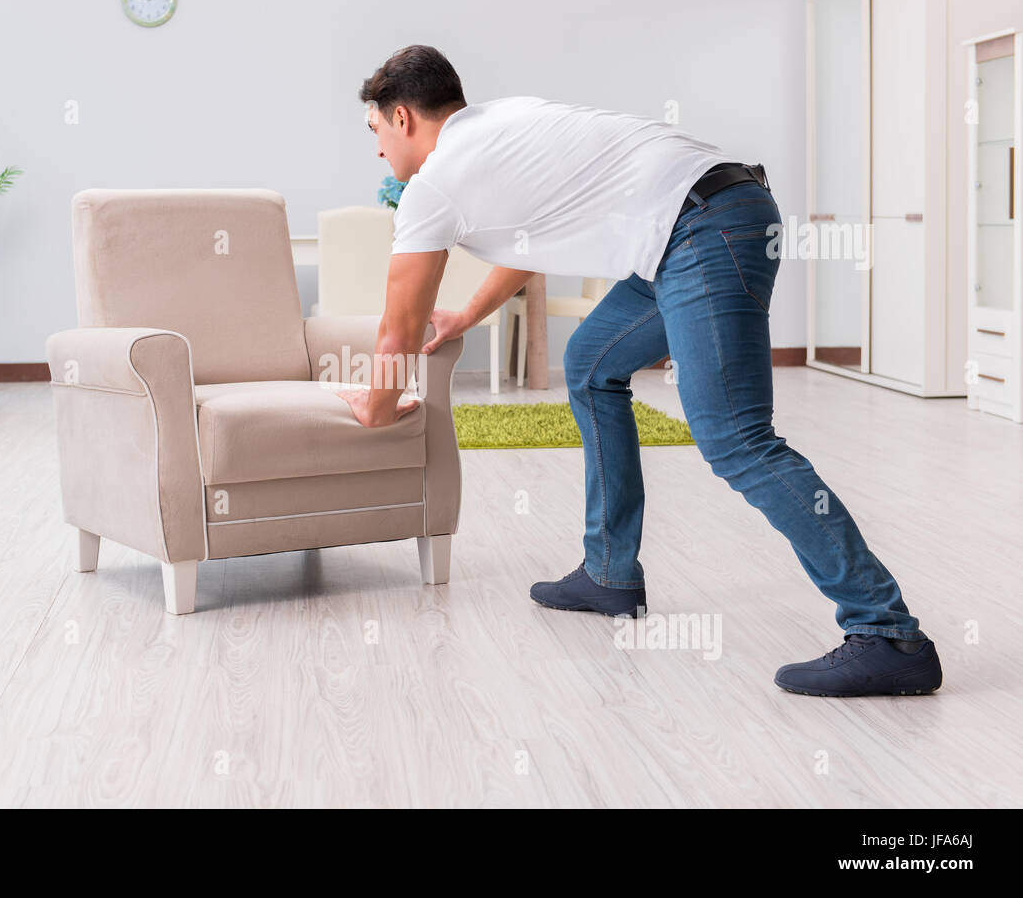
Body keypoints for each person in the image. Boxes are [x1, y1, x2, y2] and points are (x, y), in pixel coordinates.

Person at [337, 44, 942, 698]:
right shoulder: (500, 126)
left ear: (402, 118)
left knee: (736, 438)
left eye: (374, 132)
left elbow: (398, 324)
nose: (377, 153)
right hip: (712, 213)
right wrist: (469, 315)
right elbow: (531, 239)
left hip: (699, 231)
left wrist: (372, 409)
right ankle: (609, 573)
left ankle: (888, 632)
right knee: (591, 363)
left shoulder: (435, 182)